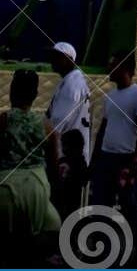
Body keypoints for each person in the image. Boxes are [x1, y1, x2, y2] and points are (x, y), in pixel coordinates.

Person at [0, 70, 59, 266]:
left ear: (11, 91)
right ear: (34, 95)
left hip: (3, 190)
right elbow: (53, 167)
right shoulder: (47, 127)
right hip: (37, 190)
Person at [91, 54, 137, 263]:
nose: (109, 67)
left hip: (126, 159)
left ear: (125, 68)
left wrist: (136, 158)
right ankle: (103, 250)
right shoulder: (110, 96)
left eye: (113, 64)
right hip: (106, 158)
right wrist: (95, 157)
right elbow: (103, 128)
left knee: (129, 206)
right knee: (101, 204)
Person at [45, 43, 91, 218]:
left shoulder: (71, 86)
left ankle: (65, 243)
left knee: (62, 208)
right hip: (73, 155)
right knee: (69, 208)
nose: (52, 61)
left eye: (56, 57)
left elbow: (56, 125)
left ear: (68, 59)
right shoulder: (74, 81)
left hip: (66, 157)